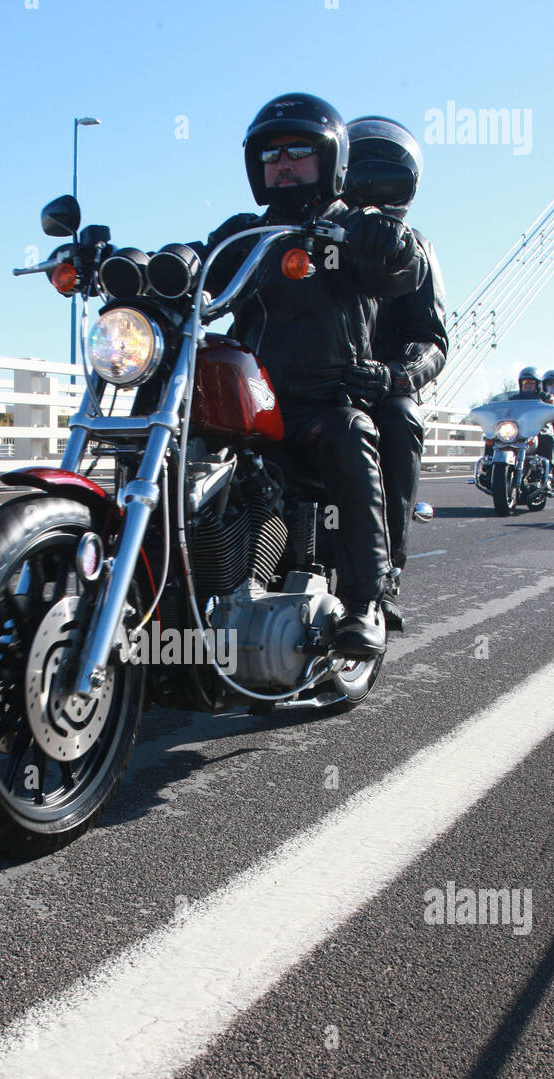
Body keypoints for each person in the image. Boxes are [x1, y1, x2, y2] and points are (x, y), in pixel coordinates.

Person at [187, 94, 428, 658]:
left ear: (331, 161)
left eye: (299, 151)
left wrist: (392, 244)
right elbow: (202, 261)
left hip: (320, 407)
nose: (284, 164)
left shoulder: (353, 228)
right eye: (271, 155)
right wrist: (160, 263)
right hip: (249, 406)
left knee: (351, 431)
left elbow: (402, 267)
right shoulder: (244, 232)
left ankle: (368, 596)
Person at [344, 116, 448, 630]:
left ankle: (386, 574)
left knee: (402, 421)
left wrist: (394, 376)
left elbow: (433, 340)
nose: (366, 183)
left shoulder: (414, 247)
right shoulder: (301, 231)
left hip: (377, 386)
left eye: (381, 174)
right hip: (303, 376)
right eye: (357, 168)